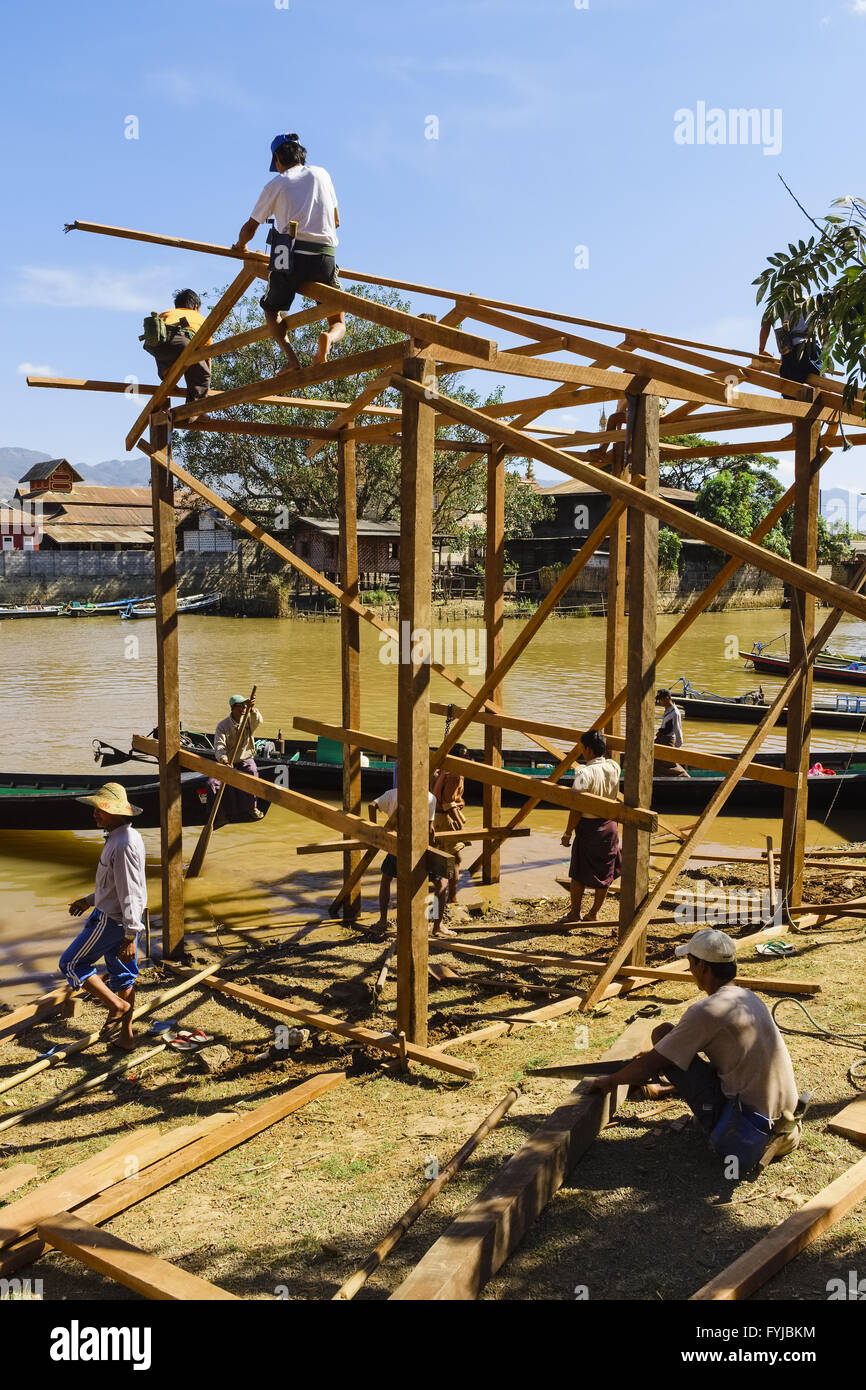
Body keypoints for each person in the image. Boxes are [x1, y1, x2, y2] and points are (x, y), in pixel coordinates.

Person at [588, 928, 804, 1172]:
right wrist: (660, 1053)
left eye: (690, 964)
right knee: (667, 1037)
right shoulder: (748, 998)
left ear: (702, 967)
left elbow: (650, 1065)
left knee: (663, 1035)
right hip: (787, 1129)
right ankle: (666, 1086)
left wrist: (611, 1080)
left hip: (749, 1135)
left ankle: (715, 1121)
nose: (690, 971)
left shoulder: (706, 1011)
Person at [232, 132, 346, 368]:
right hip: (325, 255)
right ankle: (329, 338)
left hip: (288, 255)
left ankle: (292, 359)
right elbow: (336, 221)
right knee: (337, 318)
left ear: (277, 158)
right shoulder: (322, 174)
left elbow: (251, 227)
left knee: (271, 310)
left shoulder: (277, 184)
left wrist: (240, 246)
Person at [62, 783, 147, 1051]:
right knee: (123, 976)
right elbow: (112, 886)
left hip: (111, 921)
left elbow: (131, 891)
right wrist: (88, 900)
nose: (95, 814)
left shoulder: (122, 844)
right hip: (118, 918)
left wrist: (131, 935)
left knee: (71, 964)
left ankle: (116, 1005)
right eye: (96, 809)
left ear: (116, 812)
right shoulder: (122, 837)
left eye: (101, 810)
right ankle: (126, 1037)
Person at [368, 783, 453, 937]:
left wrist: (375, 830)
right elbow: (430, 829)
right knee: (442, 884)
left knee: (386, 879)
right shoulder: (430, 797)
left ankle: (382, 921)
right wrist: (433, 842)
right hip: (419, 848)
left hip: (397, 847)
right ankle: (437, 925)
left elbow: (371, 805)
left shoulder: (392, 793)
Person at [559, 730, 622, 924]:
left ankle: (575, 913)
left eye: (582, 748)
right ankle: (593, 913)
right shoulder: (614, 766)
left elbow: (576, 809)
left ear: (587, 749)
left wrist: (568, 833)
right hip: (610, 825)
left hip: (589, 826)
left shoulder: (583, 773)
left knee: (578, 872)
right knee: (605, 872)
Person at [208, 694, 264, 825]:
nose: (244, 708)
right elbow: (219, 746)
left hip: (245, 759)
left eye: (245, 706)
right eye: (241, 706)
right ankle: (220, 816)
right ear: (233, 708)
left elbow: (259, 720)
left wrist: (253, 709)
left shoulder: (248, 720)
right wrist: (225, 761)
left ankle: (252, 807)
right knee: (212, 784)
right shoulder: (222, 726)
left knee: (252, 773)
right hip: (228, 761)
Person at [150, 289, 212, 404]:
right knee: (201, 376)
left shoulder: (165, 314)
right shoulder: (198, 317)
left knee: (166, 347)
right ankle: (195, 411)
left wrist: (168, 379)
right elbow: (206, 353)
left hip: (153, 344)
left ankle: (168, 381)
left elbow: (163, 342)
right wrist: (206, 373)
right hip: (180, 340)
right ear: (195, 307)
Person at [431, 746, 468, 906]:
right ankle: (451, 897)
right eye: (462, 756)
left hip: (434, 817)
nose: (465, 760)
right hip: (446, 818)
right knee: (455, 859)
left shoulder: (442, 770)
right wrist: (460, 825)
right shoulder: (455, 774)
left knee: (438, 856)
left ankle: (440, 894)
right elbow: (448, 802)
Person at [758, 311, 822, 401]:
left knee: (789, 392)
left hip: (792, 352)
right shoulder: (815, 302)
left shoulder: (784, 300)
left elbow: (767, 323)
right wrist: (826, 354)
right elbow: (824, 329)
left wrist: (761, 350)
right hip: (812, 348)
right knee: (821, 386)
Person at [655, 688, 689, 778]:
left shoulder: (675, 713)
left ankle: (684, 776)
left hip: (668, 742)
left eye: (660, 700)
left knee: (669, 765)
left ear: (667, 698)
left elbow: (678, 730)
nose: (659, 702)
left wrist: (678, 747)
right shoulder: (667, 710)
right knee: (655, 761)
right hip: (661, 740)